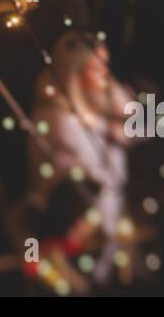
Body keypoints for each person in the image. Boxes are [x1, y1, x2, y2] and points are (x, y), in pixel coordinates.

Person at [27, 30, 136, 287]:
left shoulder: (101, 103)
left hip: (110, 216)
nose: (103, 75)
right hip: (76, 220)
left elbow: (144, 125)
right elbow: (85, 174)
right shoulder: (56, 118)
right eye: (94, 67)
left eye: (104, 65)